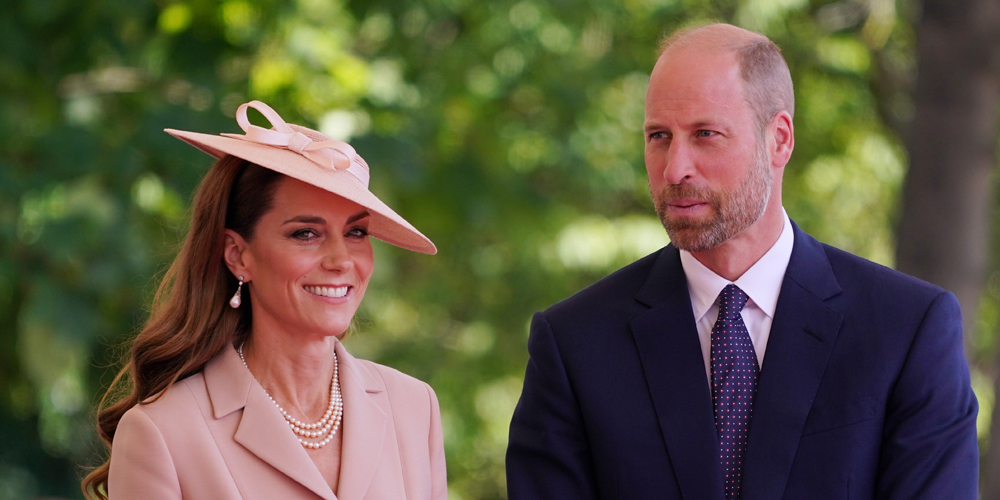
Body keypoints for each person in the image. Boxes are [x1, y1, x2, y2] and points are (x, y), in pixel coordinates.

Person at [506, 23, 978, 500]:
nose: (675, 168)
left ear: (779, 140)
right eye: (658, 136)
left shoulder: (906, 330)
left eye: (706, 134)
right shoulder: (575, 345)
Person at [81, 101, 447, 500]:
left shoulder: (414, 407)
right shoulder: (162, 432)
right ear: (238, 254)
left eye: (356, 233)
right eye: (306, 233)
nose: (342, 260)